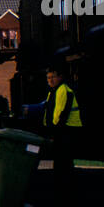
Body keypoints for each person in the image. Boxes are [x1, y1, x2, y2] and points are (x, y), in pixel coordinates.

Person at [43, 65, 83, 200]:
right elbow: (50, 113)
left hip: (67, 130)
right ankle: (62, 190)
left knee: (64, 162)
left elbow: (61, 114)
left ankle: (66, 192)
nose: (50, 80)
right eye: (48, 78)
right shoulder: (52, 92)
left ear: (60, 77)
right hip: (61, 131)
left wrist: (54, 134)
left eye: (53, 77)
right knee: (60, 162)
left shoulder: (64, 91)